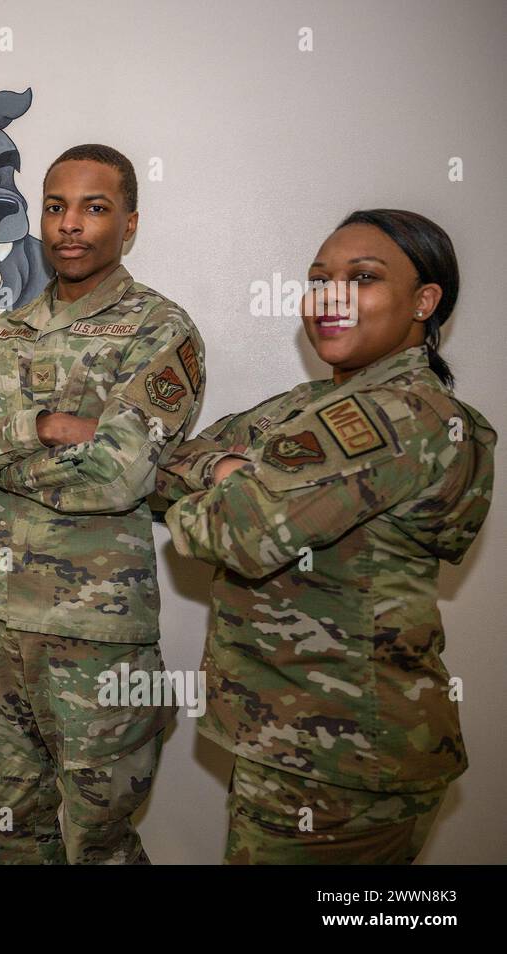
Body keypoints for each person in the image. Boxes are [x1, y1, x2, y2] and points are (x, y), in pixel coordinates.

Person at [156, 209, 495, 863]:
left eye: (362, 278)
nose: (330, 297)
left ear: (425, 301)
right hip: (293, 744)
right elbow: (169, 468)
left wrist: (233, 477)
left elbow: (234, 533)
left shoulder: (405, 415)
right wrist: (232, 470)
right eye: (319, 279)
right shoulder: (304, 407)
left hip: (345, 763)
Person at [0, 145, 206, 864]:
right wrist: (43, 428)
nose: (70, 226)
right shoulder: (4, 334)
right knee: (11, 833)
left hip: (98, 640)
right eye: (55, 207)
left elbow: (115, 477)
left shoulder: (159, 332)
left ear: (129, 223)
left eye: (94, 208)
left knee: (99, 846)